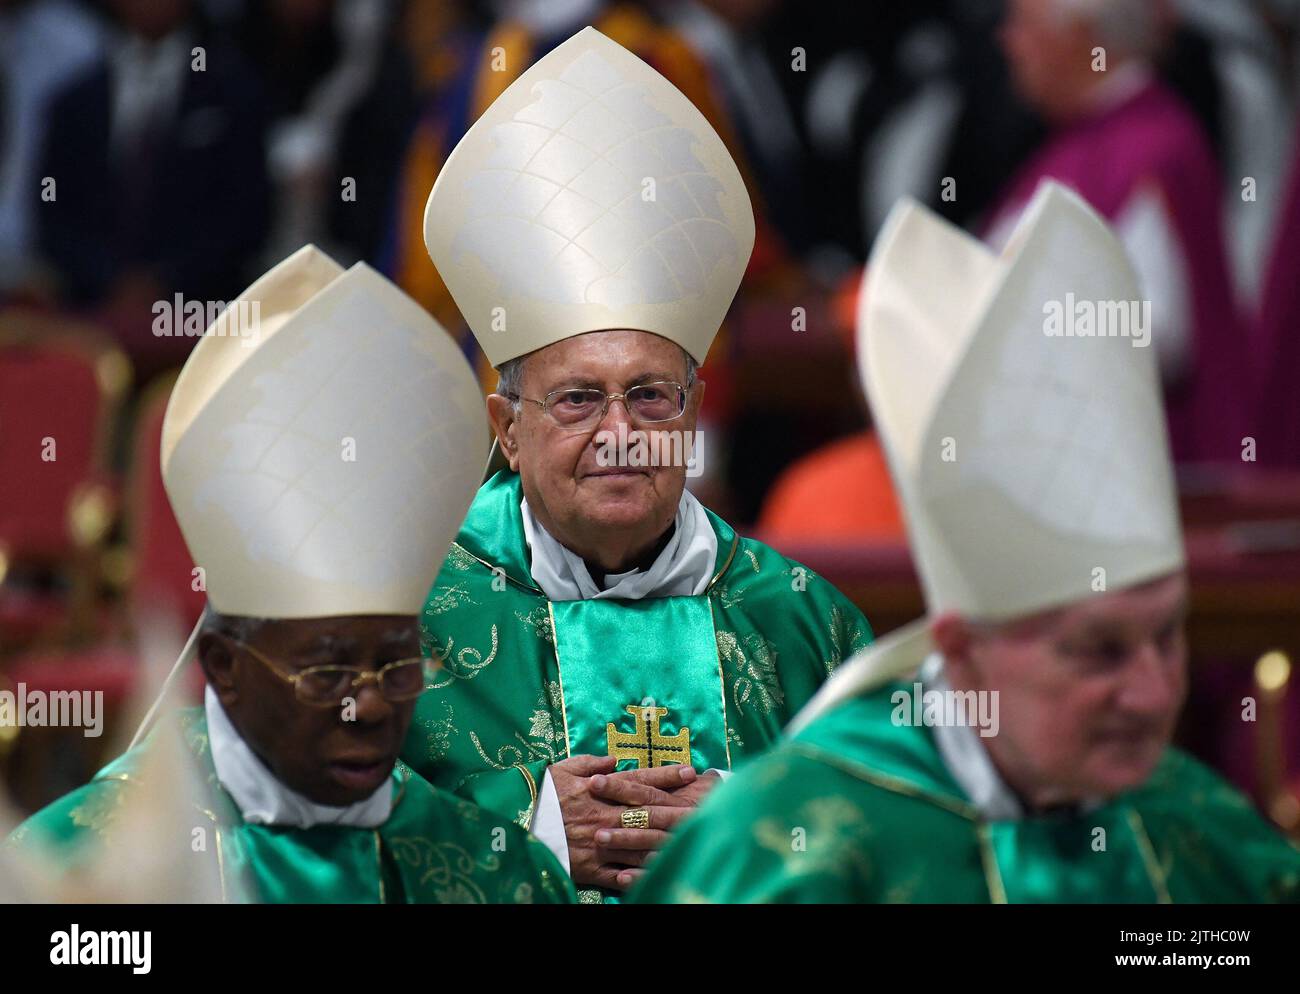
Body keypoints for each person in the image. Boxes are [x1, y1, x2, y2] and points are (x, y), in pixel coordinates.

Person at [630, 182, 1300, 903]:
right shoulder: (784, 851)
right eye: (1100, 650)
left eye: (1168, 636)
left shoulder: (1196, 827)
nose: (1154, 691)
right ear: (959, 647)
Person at [405, 26, 873, 899]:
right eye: (579, 399)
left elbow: (906, 846)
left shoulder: (803, 625)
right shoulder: (406, 618)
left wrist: (752, 837)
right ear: (506, 428)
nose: (620, 432)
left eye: (652, 397)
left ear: (693, 414)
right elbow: (316, 848)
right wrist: (531, 839)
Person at [6, 246, 573, 905]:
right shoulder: (85, 871)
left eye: (395, 666)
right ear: (224, 667)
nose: (367, 707)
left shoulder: (497, 873)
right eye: (326, 673)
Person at [984, 0, 1247, 465]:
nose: (1007, 41)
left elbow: (1159, 331)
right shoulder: (1078, 141)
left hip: (1141, 465)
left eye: (1024, 24)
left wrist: (1017, 325)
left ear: (1082, 36)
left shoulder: (1152, 145)